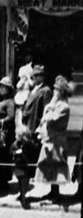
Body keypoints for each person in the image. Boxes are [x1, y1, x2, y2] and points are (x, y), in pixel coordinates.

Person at [34, 75, 72, 204]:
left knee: (56, 168)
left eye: (56, 90)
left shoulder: (63, 106)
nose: (54, 92)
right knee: (49, 167)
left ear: (61, 92)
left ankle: (56, 195)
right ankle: (52, 191)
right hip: (50, 139)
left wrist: (49, 106)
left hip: (57, 141)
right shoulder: (55, 104)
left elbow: (50, 118)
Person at [0, 77, 17, 193]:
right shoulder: (0, 101)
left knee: (3, 157)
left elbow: (11, 117)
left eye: (3, 86)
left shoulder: (10, 102)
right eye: (0, 86)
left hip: (5, 134)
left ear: (8, 89)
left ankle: (4, 182)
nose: (1, 88)